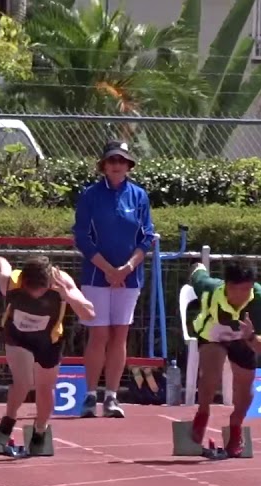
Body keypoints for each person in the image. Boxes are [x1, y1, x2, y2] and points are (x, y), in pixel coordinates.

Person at [0, 249, 96, 457]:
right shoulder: (12, 280)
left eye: (41, 291)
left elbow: (89, 314)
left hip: (48, 340)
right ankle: (8, 420)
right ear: (24, 281)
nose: (36, 296)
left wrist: (68, 296)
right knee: (24, 382)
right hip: (17, 337)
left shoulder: (61, 282)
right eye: (30, 291)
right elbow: (2, 263)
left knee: (45, 388)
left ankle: (40, 430)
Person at [72, 140, 157, 419]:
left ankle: (111, 396)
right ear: (104, 165)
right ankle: (89, 395)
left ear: (129, 165)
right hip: (96, 276)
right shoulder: (90, 195)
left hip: (129, 279)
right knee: (99, 334)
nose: (117, 165)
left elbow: (147, 237)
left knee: (120, 334)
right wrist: (108, 269)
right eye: (112, 160)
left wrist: (126, 269)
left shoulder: (139, 196)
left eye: (122, 161)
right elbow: (82, 237)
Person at [184, 259, 261, 459]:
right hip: (213, 334)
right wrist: (196, 266)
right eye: (236, 289)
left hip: (244, 338)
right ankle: (203, 413)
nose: (241, 295)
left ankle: (236, 425)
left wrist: (251, 336)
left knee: (245, 383)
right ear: (226, 286)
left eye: (246, 289)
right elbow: (198, 272)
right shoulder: (209, 288)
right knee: (211, 375)